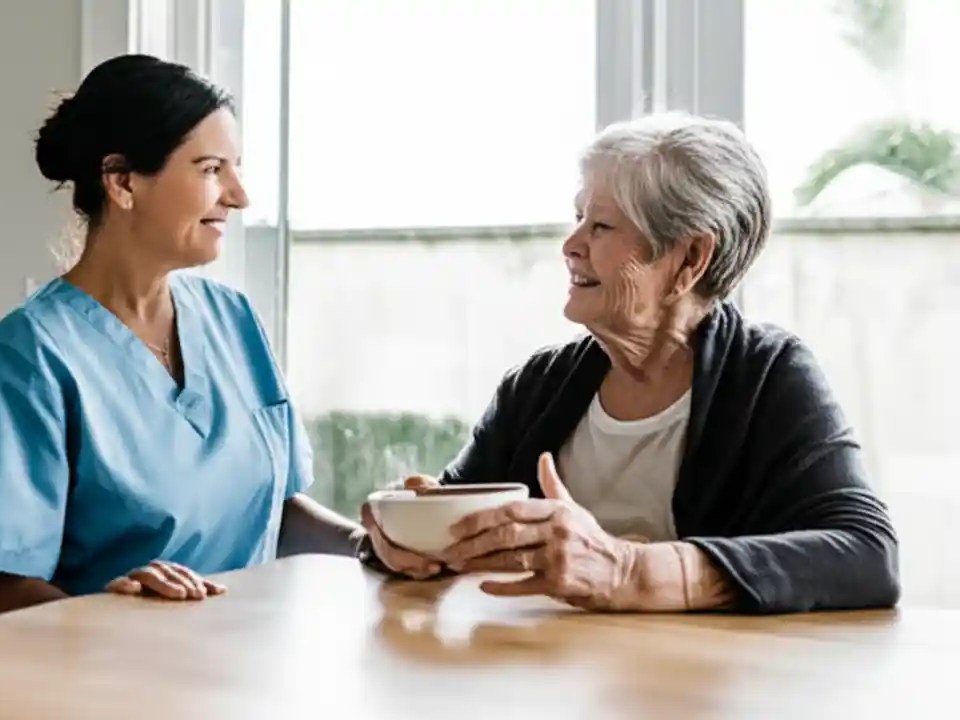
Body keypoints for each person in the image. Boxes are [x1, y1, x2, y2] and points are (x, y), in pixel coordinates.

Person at [359, 112, 901, 614]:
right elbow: (452, 525)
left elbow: (866, 554)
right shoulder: (538, 387)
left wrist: (632, 571)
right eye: (578, 218)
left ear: (689, 259)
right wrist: (402, 539)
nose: (571, 245)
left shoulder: (768, 376)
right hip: (541, 686)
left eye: (602, 226)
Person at [0, 54, 363, 623]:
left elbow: (276, 512)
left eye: (236, 168)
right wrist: (116, 616)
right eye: (211, 169)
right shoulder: (27, 357)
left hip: (219, 672)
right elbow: (12, 597)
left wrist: (374, 544)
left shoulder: (233, 320)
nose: (239, 195)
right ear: (123, 181)